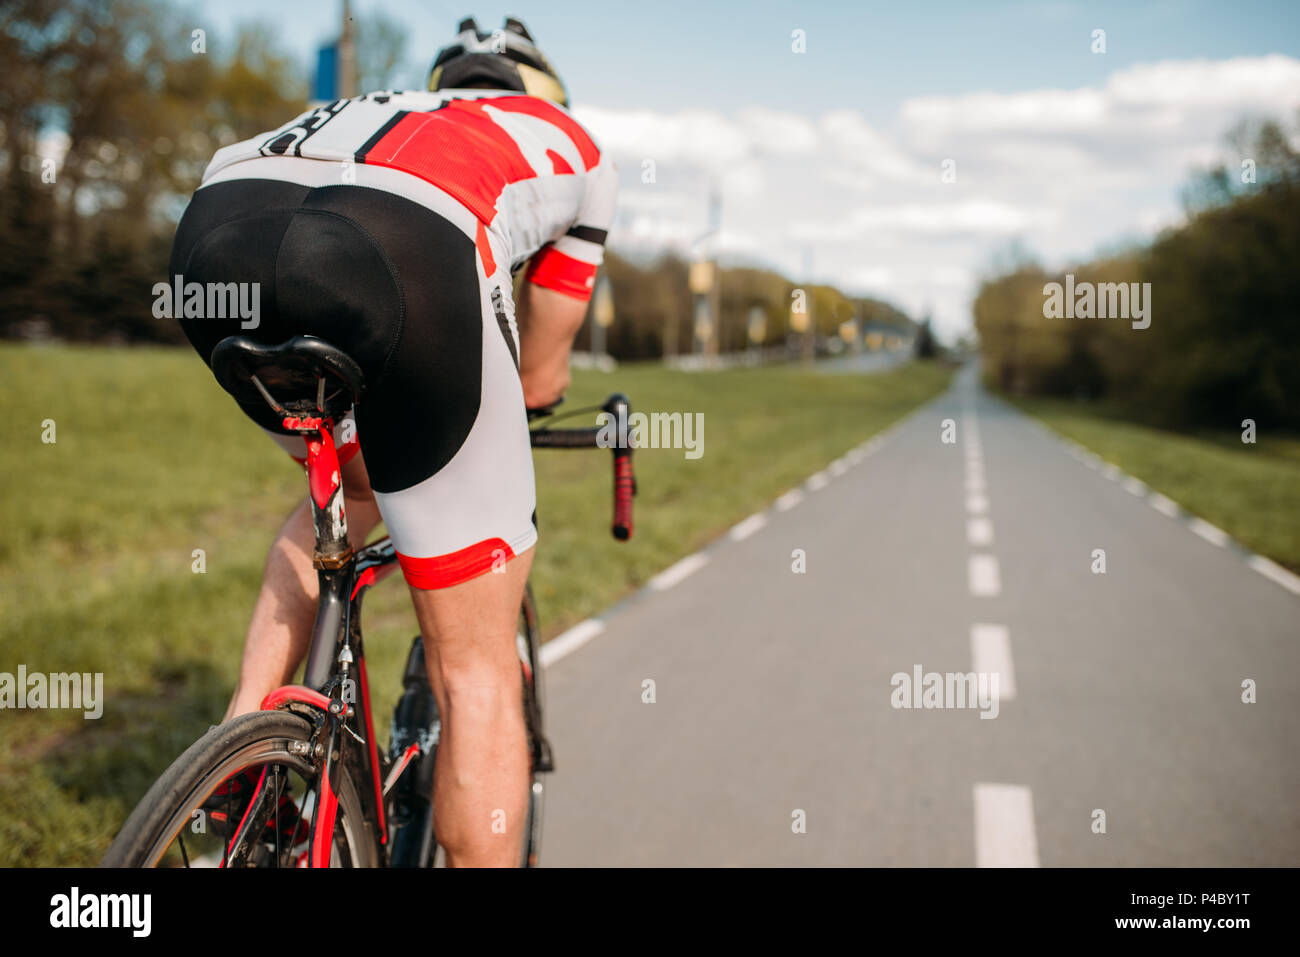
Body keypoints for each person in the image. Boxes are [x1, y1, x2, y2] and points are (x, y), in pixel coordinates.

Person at [170, 15, 617, 867]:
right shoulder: (573, 142)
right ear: (544, 94)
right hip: (405, 244)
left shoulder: (379, 103)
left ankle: (243, 745)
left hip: (216, 233)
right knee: (475, 673)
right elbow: (544, 369)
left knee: (353, 486)